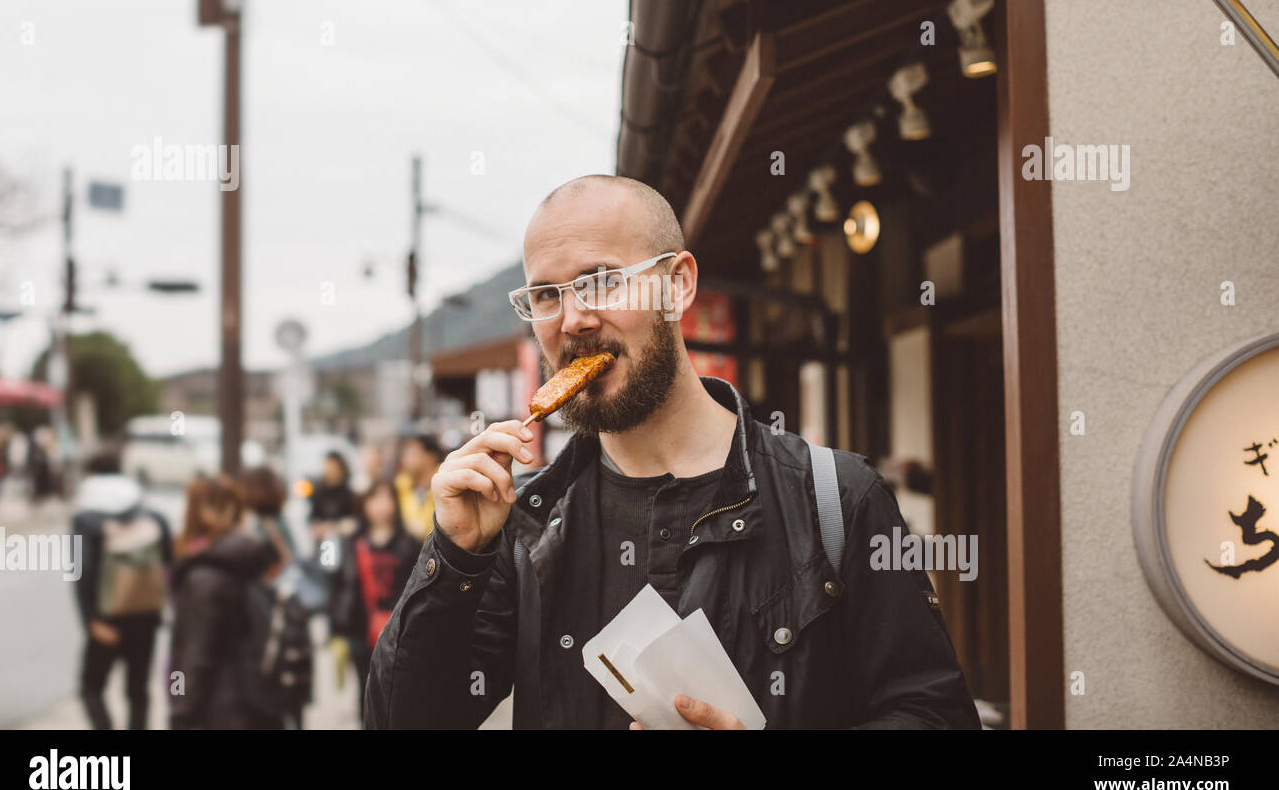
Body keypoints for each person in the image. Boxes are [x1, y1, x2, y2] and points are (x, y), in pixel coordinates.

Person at [365, 174, 981, 730]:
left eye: (601, 281)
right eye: (547, 295)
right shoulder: (523, 528)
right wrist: (453, 558)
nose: (573, 318)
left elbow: (935, 715)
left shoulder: (836, 500)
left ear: (677, 285)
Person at [70, 451, 172, 730]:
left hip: (106, 617)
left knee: (91, 687)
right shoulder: (152, 515)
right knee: (138, 690)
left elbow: (82, 572)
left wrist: (91, 619)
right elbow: (167, 565)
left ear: (91, 476)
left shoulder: (87, 519)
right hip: (147, 616)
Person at [169, 475, 278, 729]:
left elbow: (197, 654)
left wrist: (181, 715)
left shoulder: (205, 574)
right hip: (253, 699)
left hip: (217, 707)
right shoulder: (246, 557)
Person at [329, 480, 419, 725]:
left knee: (397, 694)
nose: (380, 506)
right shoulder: (350, 540)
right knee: (364, 689)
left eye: (385, 498)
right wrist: (336, 627)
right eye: (373, 498)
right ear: (364, 504)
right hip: (359, 626)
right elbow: (334, 579)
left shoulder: (410, 542)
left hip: (398, 631)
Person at [392, 435, 440, 544]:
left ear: (430, 457)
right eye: (405, 454)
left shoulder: (447, 484)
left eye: (413, 454)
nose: (406, 459)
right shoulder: (399, 486)